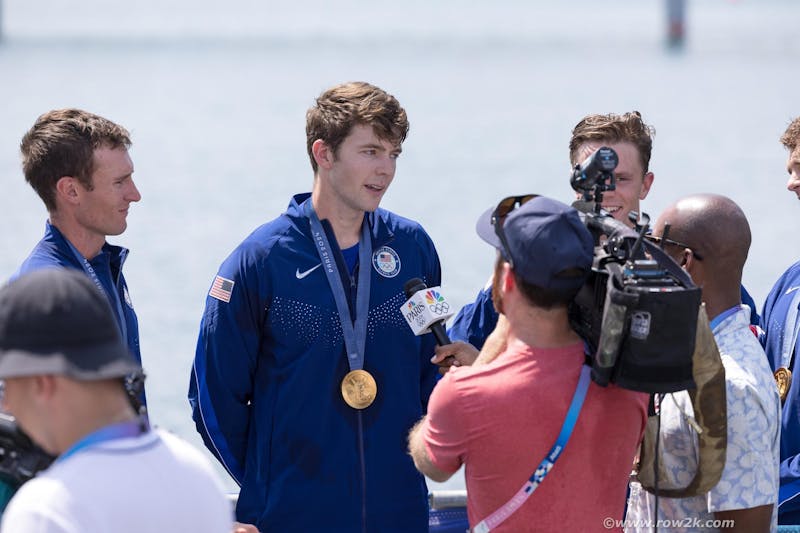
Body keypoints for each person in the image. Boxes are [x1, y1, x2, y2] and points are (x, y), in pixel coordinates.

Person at [189, 81, 442, 532]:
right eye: (370, 151)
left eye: (394, 154)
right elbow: (213, 399)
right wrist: (271, 486)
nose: (386, 170)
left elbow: (430, 370)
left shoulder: (412, 248)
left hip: (398, 514)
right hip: (291, 518)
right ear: (323, 153)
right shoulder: (259, 260)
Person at [407, 195, 648, 531]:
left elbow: (432, 463)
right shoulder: (629, 384)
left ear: (505, 279)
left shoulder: (465, 394)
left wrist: (483, 362)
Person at [0, 269, 233, 533]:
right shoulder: (197, 475)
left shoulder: (45, 511)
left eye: (8, 386)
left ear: (42, 382)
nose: (6, 406)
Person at [444, 112, 657, 365]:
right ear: (575, 178)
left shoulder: (665, 270)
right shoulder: (533, 256)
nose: (606, 191)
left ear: (645, 184)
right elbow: (461, 343)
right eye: (594, 177)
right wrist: (484, 370)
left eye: (621, 179)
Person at [626, 193, 780, 532]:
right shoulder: (693, 356)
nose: (644, 262)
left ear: (684, 262)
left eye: (653, 248)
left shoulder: (729, 385)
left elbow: (746, 526)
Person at [12, 108, 143, 383]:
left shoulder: (104, 263)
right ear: (71, 191)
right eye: (120, 182)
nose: (135, 195)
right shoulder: (45, 296)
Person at [759, 115, 800, 524]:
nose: (791, 183)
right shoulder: (790, 281)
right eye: (790, 170)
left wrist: (758, 486)